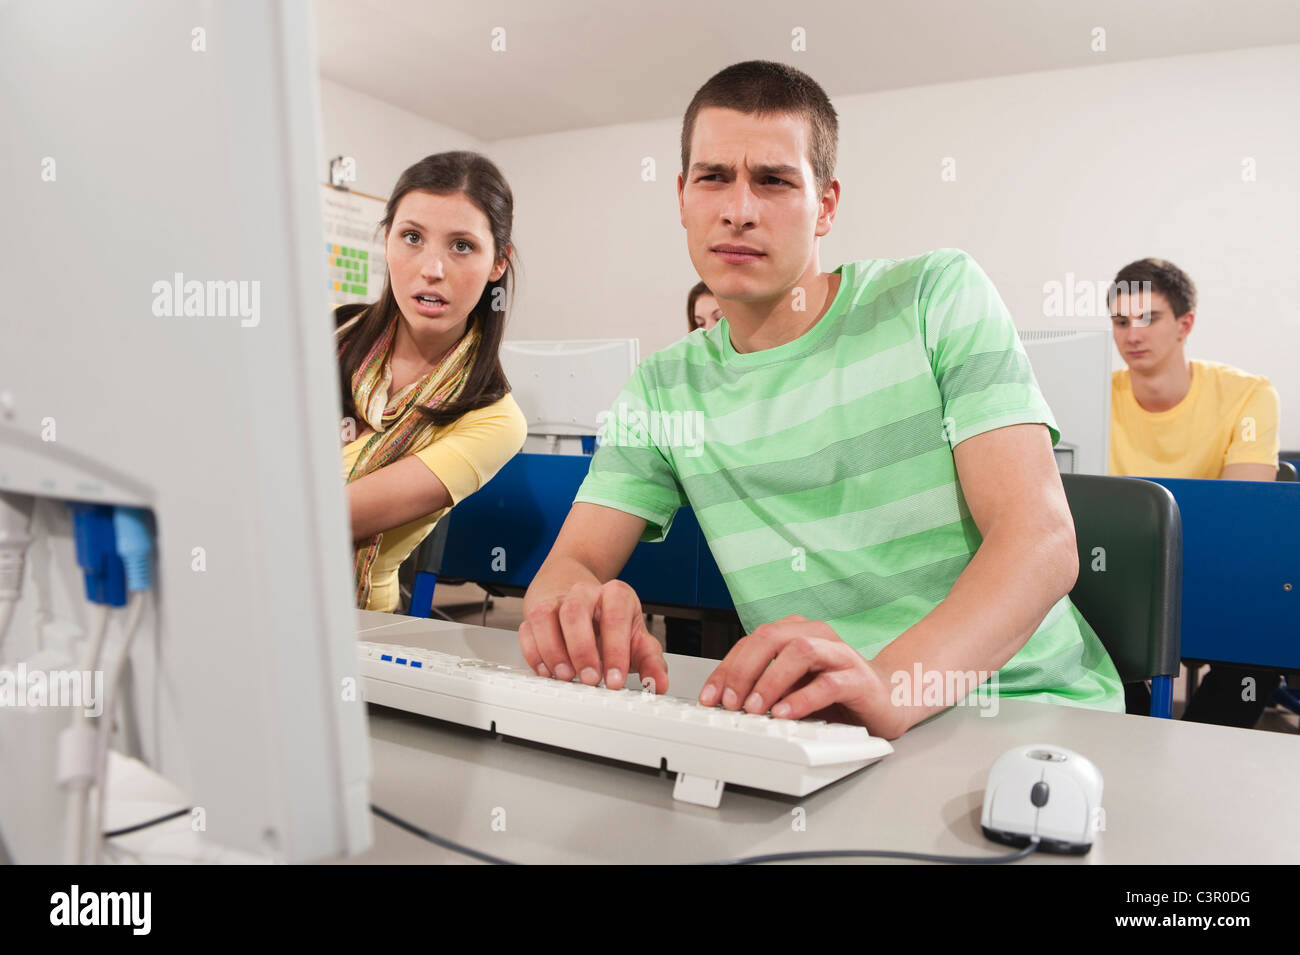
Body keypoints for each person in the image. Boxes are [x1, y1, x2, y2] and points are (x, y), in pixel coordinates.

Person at [517, 61, 1123, 740]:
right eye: (713, 177)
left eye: (773, 181)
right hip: (822, 730)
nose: (738, 208)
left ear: (826, 206)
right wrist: (578, 608)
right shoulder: (663, 388)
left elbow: (1040, 542)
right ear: (682, 197)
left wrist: (893, 687)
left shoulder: (935, 294)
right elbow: (571, 565)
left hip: (1026, 709)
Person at [337, 152, 527, 613]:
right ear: (386, 241)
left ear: (497, 263)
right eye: (412, 237)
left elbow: (328, 517)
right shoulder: (335, 334)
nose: (432, 269)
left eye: (461, 246)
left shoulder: (495, 420)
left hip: (352, 626)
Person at [1107, 258, 1281, 727]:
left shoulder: (1247, 394)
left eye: (1148, 318)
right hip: (1118, 578)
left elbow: (1238, 517)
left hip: (1211, 570)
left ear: (1185, 324)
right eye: (1120, 321)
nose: (1132, 334)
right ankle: (1135, 737)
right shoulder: (1094, 393)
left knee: (1263, 627)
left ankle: (1196, 745)